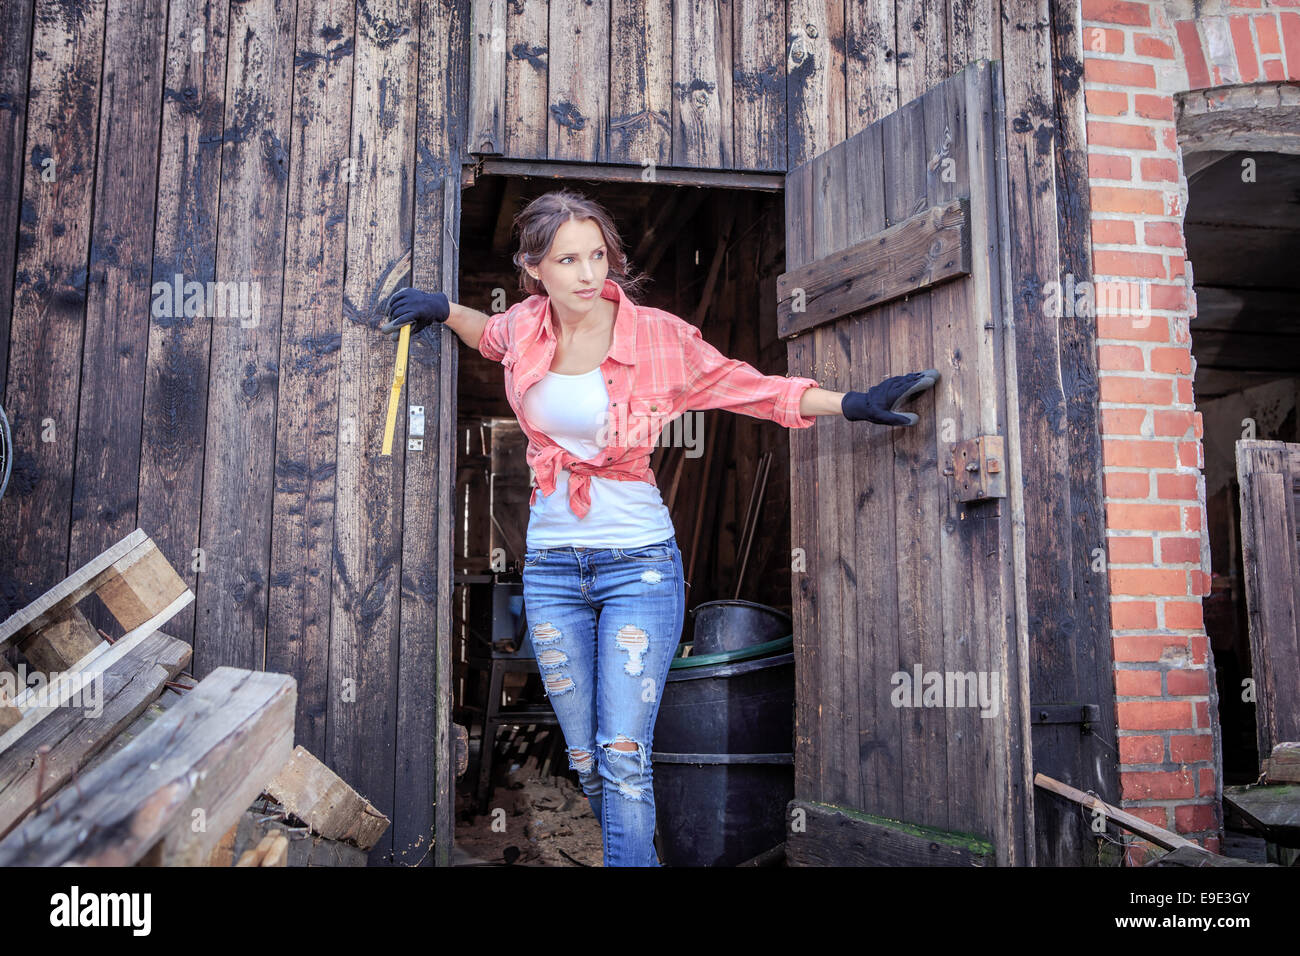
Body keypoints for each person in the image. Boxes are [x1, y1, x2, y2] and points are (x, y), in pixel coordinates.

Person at [379, 188, 938, 866]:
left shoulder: (659, 339)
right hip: (553, 570)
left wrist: (851, 401)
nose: (589, 274)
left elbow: (748, 386)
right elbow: (486, 335)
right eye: (568, 260)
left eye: (597, 256)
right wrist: (444, 309)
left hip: (638, 566)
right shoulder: (525, 326)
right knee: (587, 760)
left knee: (622, 758)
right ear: (535, 271)